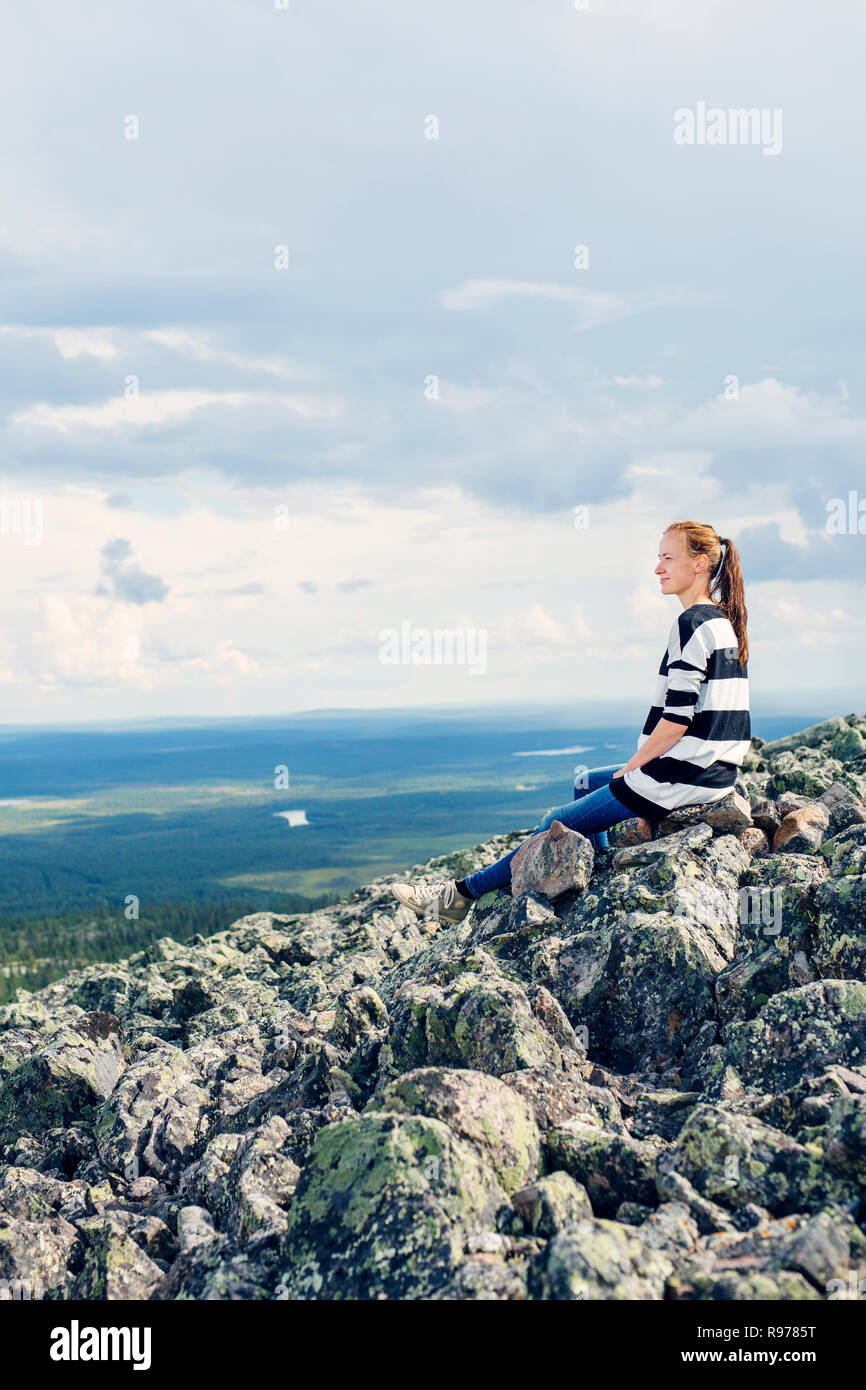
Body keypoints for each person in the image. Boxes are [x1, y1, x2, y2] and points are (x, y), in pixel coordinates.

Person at [392, 520, 751, 924]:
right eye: (659, 558)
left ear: (700, 563)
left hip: (683, 777)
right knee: (583, 784)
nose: (658, 568)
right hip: (712, 771)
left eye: (668, 558)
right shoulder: (721, 621)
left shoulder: (691, 625)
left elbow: (677, 721)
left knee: (554, 822)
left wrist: (633, 768)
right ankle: (593, 871)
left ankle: (459, 895)